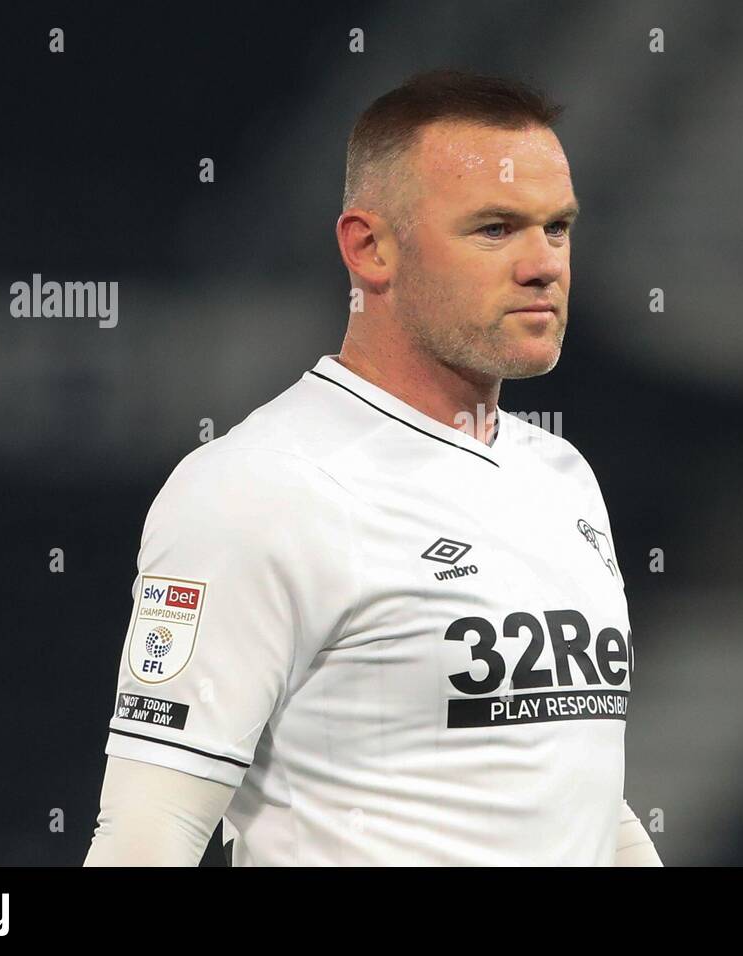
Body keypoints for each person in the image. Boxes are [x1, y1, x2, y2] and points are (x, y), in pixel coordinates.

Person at [85, 69, 661, 866]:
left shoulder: (560, 475)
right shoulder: (258, 487)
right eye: (495, 229)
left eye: (556, 228)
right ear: (370, 248)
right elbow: (151, 833)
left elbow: (570, 784)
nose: (543, 265)